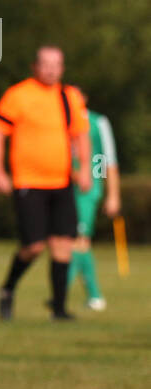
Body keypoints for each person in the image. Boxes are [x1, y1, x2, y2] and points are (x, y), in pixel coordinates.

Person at [0, 46, 91, 321]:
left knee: (63, 244)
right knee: (34, 245)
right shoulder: (18, 94)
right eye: (46, 64)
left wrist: (86, 170)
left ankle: (59, 308)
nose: (51, 69)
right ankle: (7, 289)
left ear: (63, 68)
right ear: (35, 66)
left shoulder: (69, 97)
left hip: (61, 181)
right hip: (28, 182)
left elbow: (81, 136)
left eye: (56, 64)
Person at [69, 93, 120, 310]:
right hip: (63, 188)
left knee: (78, 241)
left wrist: (112, 194)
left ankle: (84, 294)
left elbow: (109, 160)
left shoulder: (98, 122)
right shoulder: (62, 120)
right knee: (70, 241)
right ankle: (89, 296)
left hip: (88, 189)